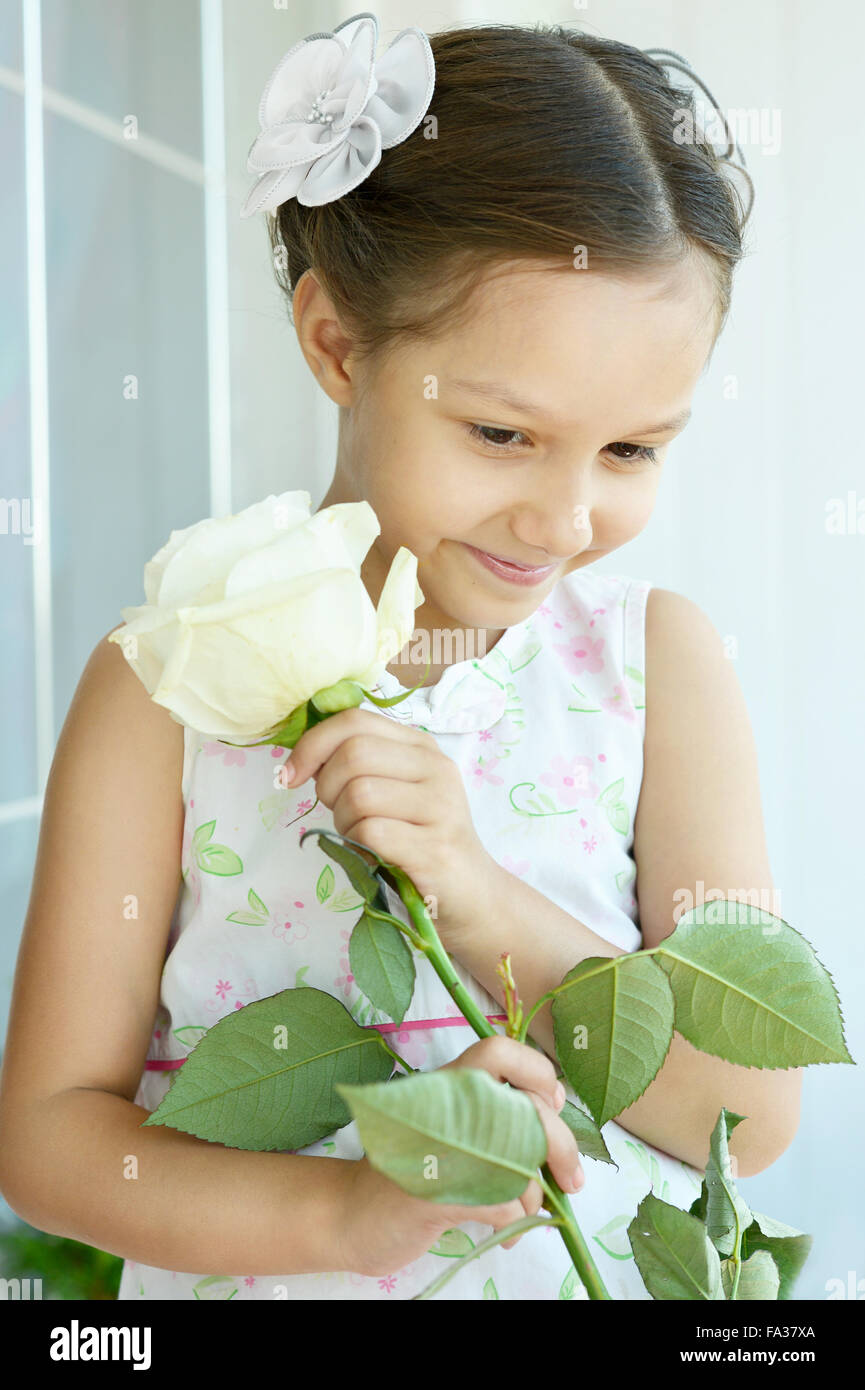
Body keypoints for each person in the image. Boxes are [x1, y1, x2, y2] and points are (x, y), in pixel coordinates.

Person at [0, 13, 801, 1301]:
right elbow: (48, 1138)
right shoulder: (167, 685)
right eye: (500, 432)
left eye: (632, 450)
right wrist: (349, 1214)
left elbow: (750, 1116)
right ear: (338, 344)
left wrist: (481, 894)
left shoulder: (660, 670)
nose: (566, 519)